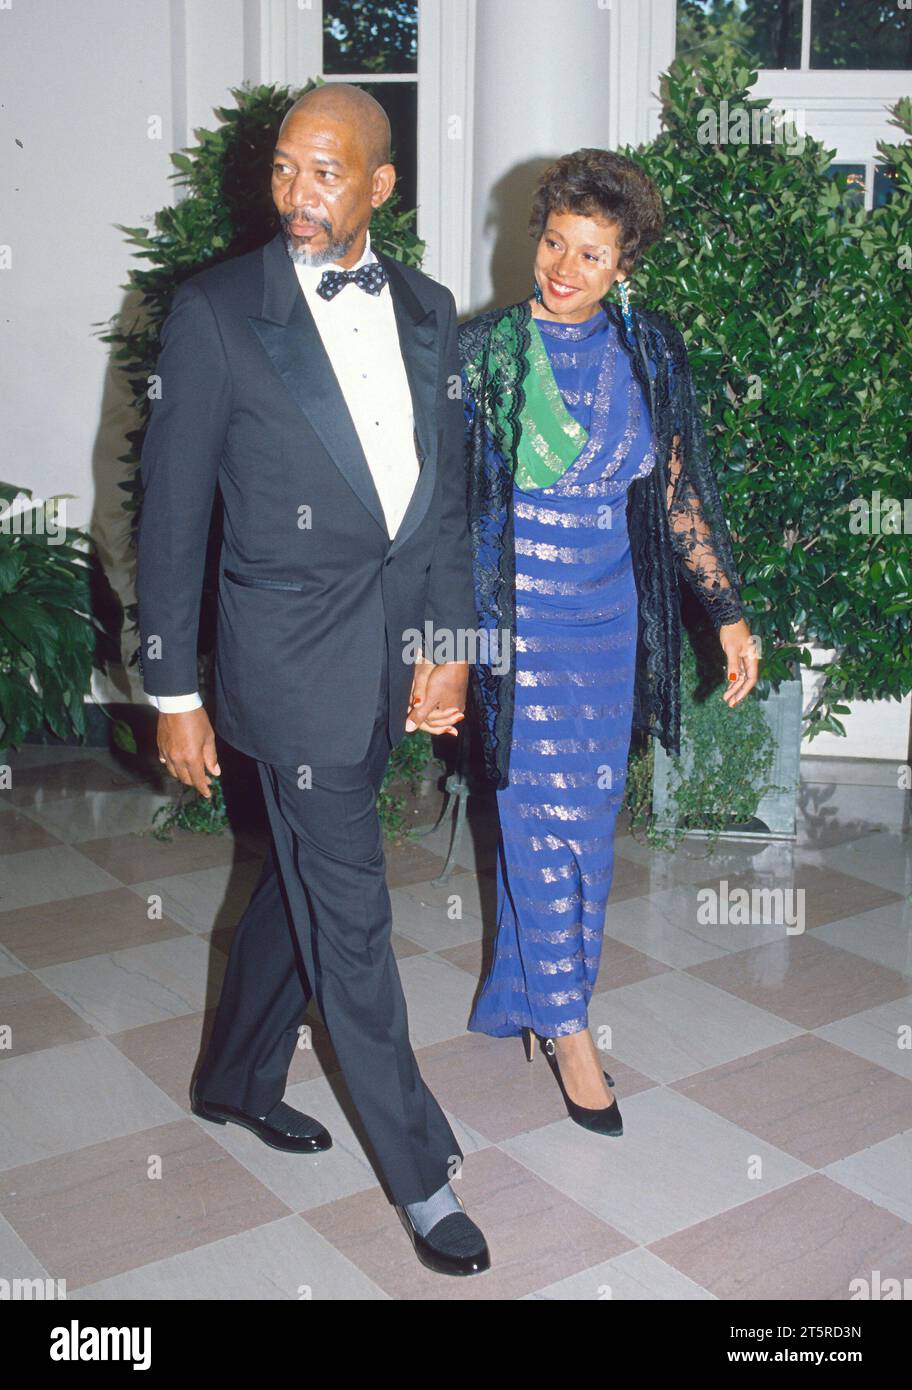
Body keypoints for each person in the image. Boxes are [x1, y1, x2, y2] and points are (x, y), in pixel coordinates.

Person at [136, 83, 490, 1277]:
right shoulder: (217, 313)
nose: (297, 192)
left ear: (380, 185)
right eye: (285, 167)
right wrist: (172, 692)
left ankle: (234, 1079)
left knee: (298, 880)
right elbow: (172, 515)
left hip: (386, 654)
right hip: (287, 668)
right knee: (352, 915)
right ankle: (420, 1169)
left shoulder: (429, 309)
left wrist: (446, 643)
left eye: (325, 172)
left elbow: (442, 505)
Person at [459, 148, 759, 1133]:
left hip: (608, 620)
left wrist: (726, 610)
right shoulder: (487, 352)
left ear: (625, 264)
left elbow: (674, 491)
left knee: (586, 821)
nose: (565, 268)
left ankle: (522, 994)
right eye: (556, 243)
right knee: (538, 816)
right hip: (519, 624)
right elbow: (448, 512)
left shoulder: (648, 347)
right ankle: (569, 1028)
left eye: (592, 254)